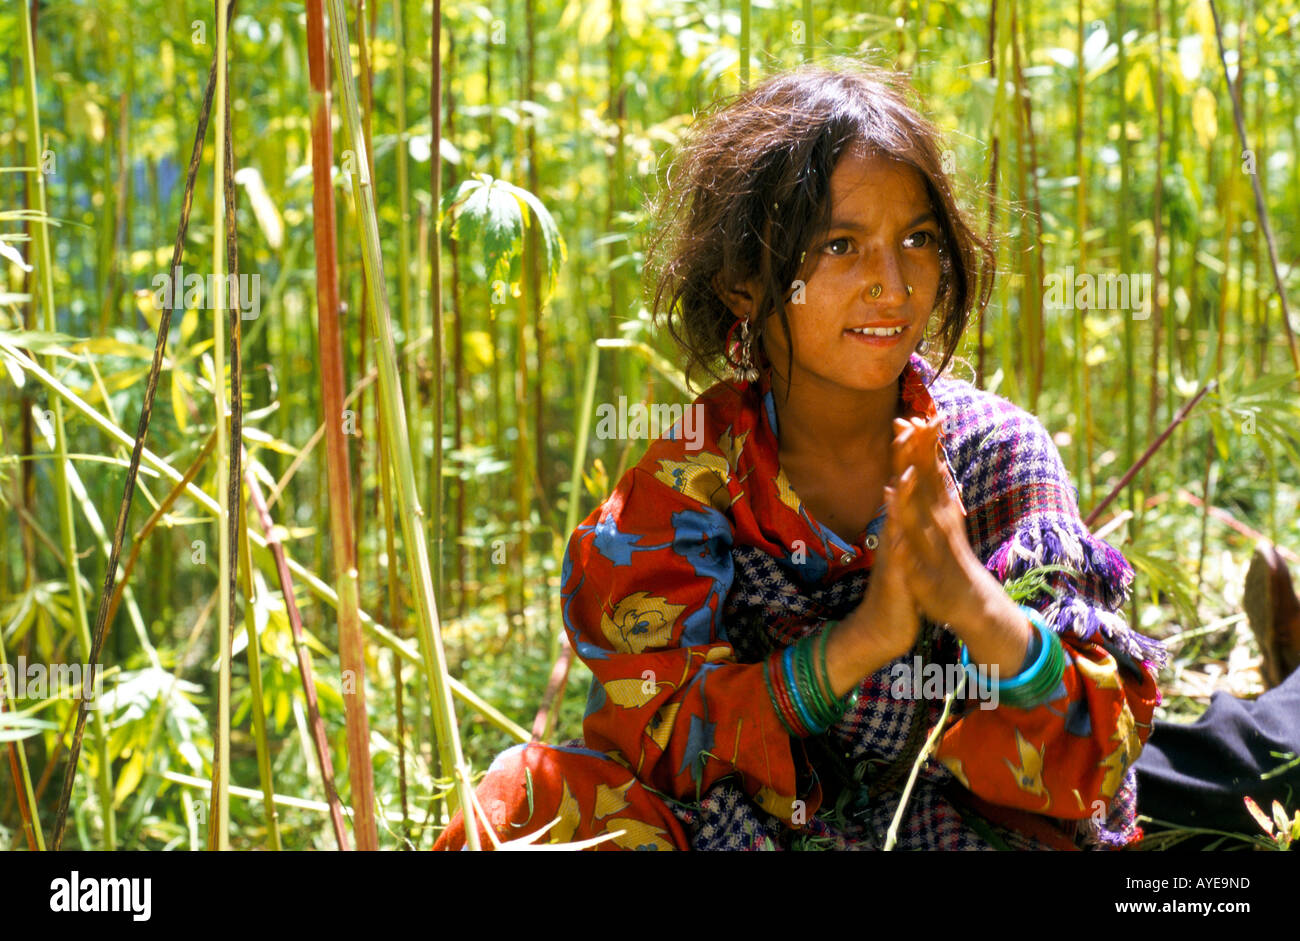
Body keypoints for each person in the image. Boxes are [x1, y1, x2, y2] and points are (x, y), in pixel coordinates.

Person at [434, 62, 1300, 851]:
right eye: (841, 246)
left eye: (917, 239)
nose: (892, 280)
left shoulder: (994, 453)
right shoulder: (687, 476)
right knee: (522, 805)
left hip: (961, 827)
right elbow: (649, 746)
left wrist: (972, 601)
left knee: (1229, 808)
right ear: (744, 280)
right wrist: (859, 643)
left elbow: (1096, 759)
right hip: (748, 837)